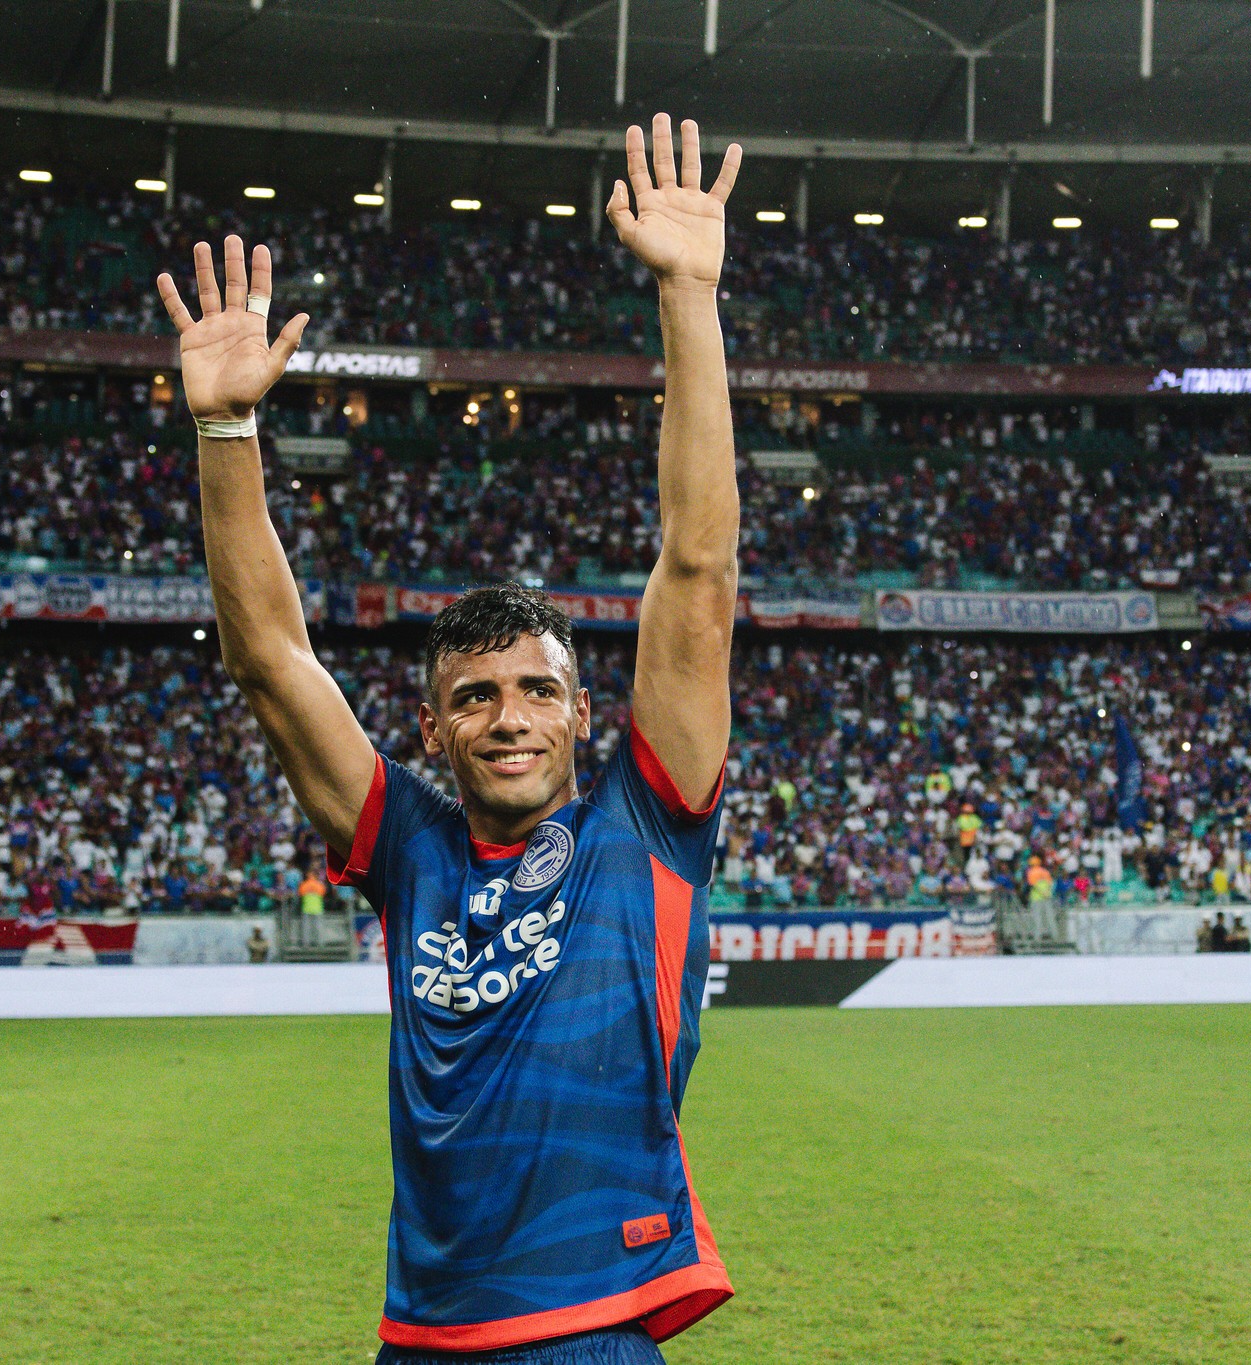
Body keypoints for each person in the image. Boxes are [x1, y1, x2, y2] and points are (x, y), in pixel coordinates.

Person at [155, 112, 742, 1363]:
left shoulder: (647, 826)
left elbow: (695, 569)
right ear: (431, 728)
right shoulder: (408, 850)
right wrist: (220, 432)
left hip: (588, 1330)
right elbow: (268, 661)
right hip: (416, 1340)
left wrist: (687, 295)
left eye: (535, 688)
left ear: (584, 712)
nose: (510, 716)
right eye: (473, 698)